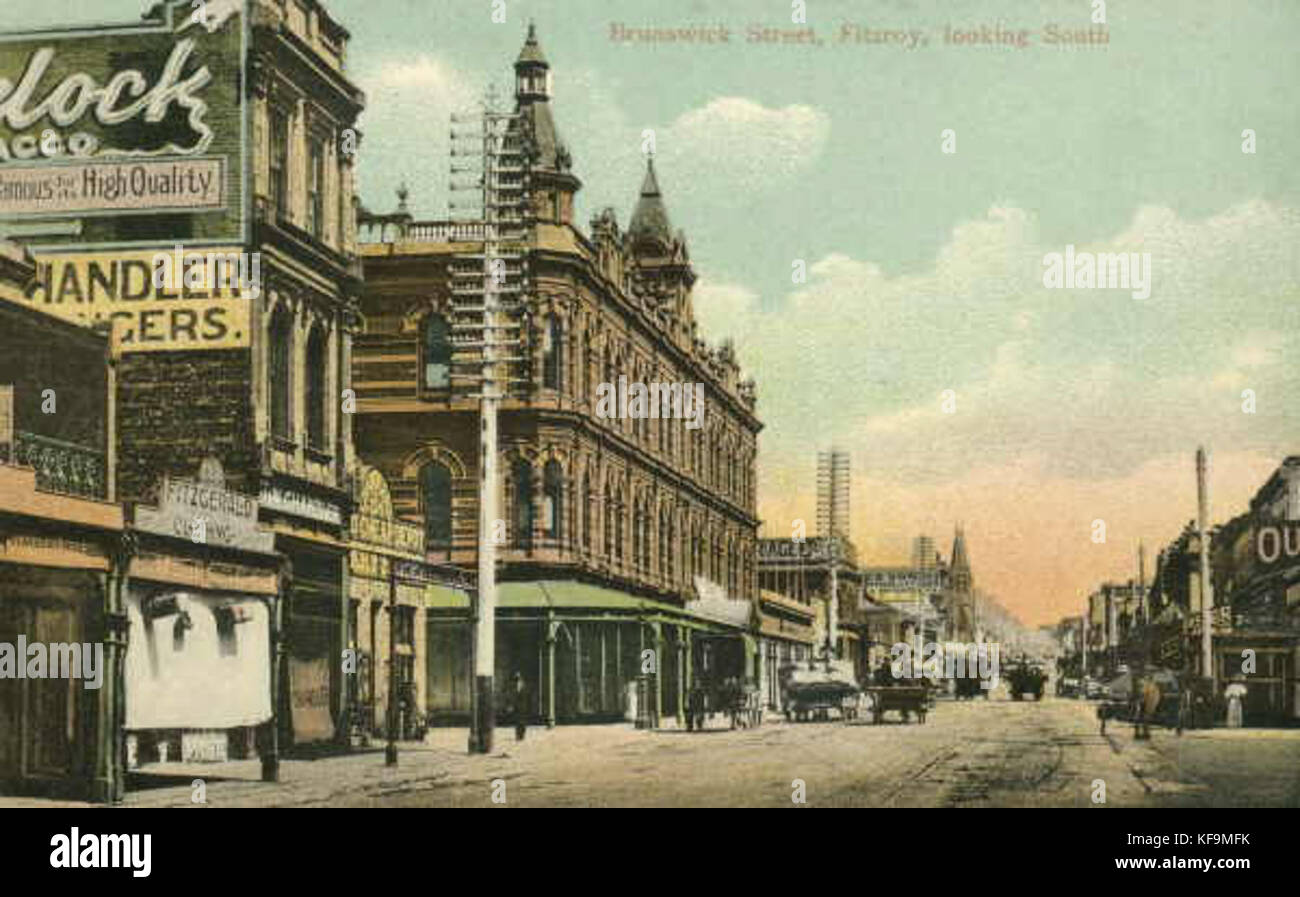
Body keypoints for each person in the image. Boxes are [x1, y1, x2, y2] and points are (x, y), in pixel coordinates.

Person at [511, 671, 529, 741]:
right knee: (517, 721)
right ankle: (518, 735)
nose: (517, 680)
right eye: (516, 679)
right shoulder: (513, 686)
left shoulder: (524, 685)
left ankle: (522, 735)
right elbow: (513, 697)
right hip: (517, 707)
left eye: (518, 678)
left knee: (523, 721)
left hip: (523, 707)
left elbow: (526, 696)